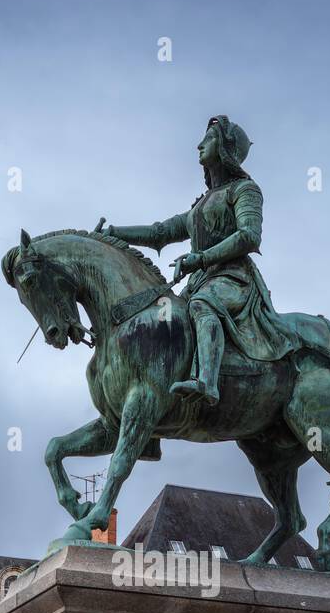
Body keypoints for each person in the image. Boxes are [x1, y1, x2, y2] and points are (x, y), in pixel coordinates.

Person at [106, 116, 297, 407]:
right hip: (201, 280)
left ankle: (207, 381)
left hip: (234, 279)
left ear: (224, 148)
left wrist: (201, 258)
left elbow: (249, 236)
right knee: (167, 320)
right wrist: (113, 233)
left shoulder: (244, 191)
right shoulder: (202, 203)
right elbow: (160, 232)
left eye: (207, 139)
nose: (199, 145)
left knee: (201, 305)